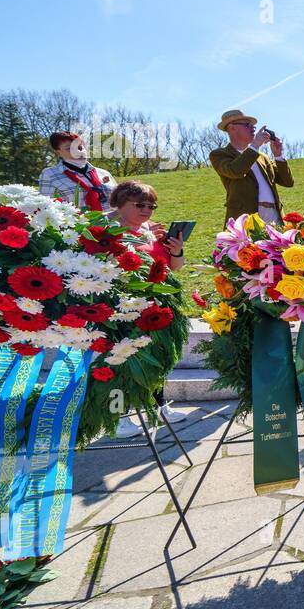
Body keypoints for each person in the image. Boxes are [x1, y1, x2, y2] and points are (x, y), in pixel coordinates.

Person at [105, 180, 188, 436]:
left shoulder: (153, 233)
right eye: (139, 204)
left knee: (158, 357)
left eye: (151, 205)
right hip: (123, 307)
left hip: (155, 305)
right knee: (120, 362)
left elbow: (175, 269)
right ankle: (117, 418)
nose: (147, 210)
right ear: (120, 205)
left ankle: (159, 407)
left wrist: (177, 250)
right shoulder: (108, 232)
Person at [209, 110, 294, 225]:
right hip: (246, 221)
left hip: (275, 217)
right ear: (232, 128)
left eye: (253, 125)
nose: (253, 128)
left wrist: (278, 156)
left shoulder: (262, 157)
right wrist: (255, 145)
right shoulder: (219, 154)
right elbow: (235, 171)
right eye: (247, 125)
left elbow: (287, 182)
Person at [39, 132, 117, 211]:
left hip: (114, 222)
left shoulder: (103, 173)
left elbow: (120, 201)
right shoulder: (50, 174)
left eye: (79, 147)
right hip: (80, 223)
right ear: (58, 152)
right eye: (69, 149)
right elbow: (46, 208)